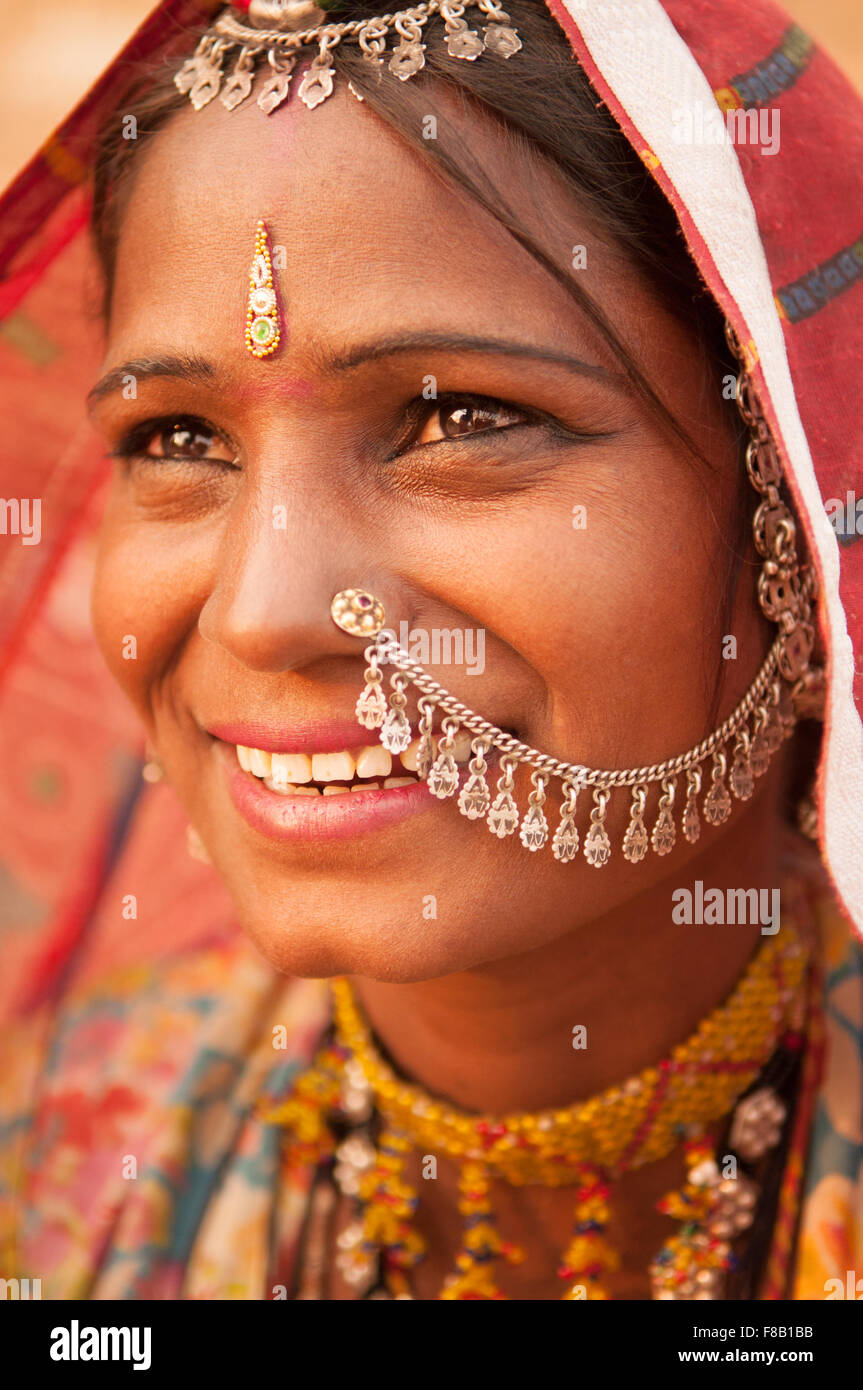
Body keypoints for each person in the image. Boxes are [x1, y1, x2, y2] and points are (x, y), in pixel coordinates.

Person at [0, 0, 861, 1301]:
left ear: (794, 484)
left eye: (457, 416)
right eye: (177, 440)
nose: (261, 610)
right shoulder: (52, 1169)